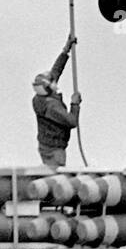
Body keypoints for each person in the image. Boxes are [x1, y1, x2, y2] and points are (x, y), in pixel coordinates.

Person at [32, 34, 80, 169]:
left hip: (45, 146)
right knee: (55, 179)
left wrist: (66, 49)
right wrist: (74, 104)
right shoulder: (51, 107)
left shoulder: (39, 98)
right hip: (55, 150)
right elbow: (71, 121)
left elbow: (56, 71)